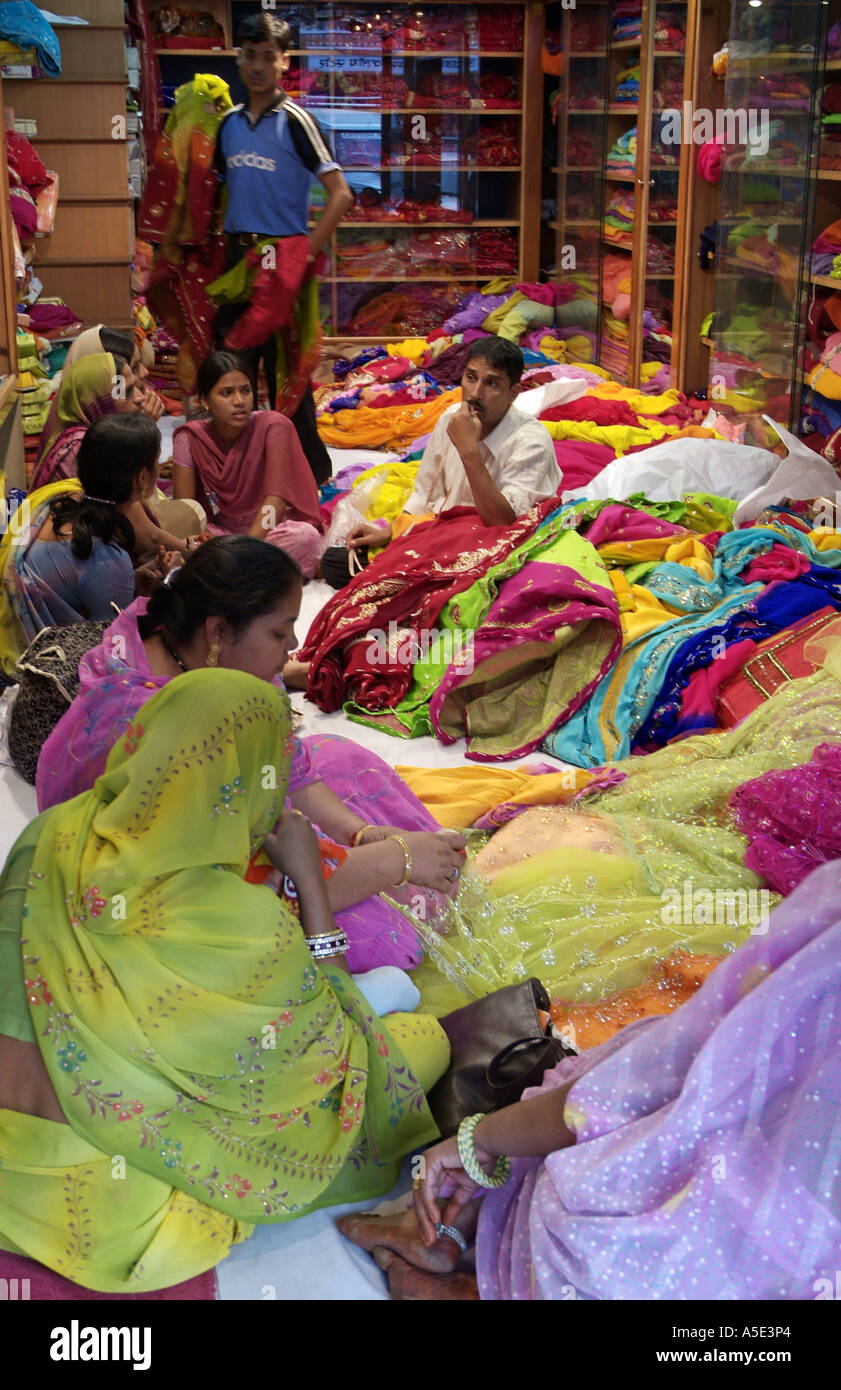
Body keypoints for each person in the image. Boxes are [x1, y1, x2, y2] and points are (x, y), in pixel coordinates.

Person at [0, 669, 451, 1293]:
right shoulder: (238, 922)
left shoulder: (47, 837)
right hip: (118, 1221)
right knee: (422, 1040)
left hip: (11, 1161)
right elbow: (336, 1044)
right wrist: (309, 886)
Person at [340, 853, 841, 1300]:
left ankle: (456, 1252)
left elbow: (627, 1092)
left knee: (603, 1103)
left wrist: (479, 1139)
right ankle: (450, 1237)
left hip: (634, 1252)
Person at [35, 536, 467, 973]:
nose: (293, 644)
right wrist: (396, 860)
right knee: (387, 941)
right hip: (168, 896)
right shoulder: (172, 737)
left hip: (225, 819)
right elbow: (252, 885)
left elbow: (292, 769)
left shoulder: (205, 658)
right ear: (218, 630)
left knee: (340, 757)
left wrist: (360, 835)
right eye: (280, 632)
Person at [213, 11, 353, 483]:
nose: (257, 65)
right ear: (239, 59)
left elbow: (341, 193)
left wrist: (306, 254)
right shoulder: (228, 125)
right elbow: (216, 195)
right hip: (239, 260)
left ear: (284, 61)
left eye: (267, 57)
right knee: (230, 373)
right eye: (249, 55)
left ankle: (310, 475)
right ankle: (235, 473)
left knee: (288, 374)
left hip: (283, 264)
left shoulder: (297, 121)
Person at [316, 337, 560, 593]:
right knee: (336, 560)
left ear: (514, 393)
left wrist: (469, 450)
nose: (475, 393)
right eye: (471, 377)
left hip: (491, 551)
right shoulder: (450, 419)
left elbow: (503, 524)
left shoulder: (532, 441)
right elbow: (426, 492)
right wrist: (390, 532)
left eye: (492, 383)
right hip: (443, 536)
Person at [172, 350, 324, 577]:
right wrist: (208, 539)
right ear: (205, 401)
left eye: (245, 391)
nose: (239, 401)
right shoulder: (189, 438)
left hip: (269, 527)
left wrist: (248, 545)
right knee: (184, 541)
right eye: (226, 393)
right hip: (219, 532)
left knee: (305, 538)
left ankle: (235, 570)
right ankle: (255, 571)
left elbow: (277, 500)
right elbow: (186, 509)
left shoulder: (273, 426)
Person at [30, 352, 140, 489]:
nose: (139, 398)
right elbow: (119, 502)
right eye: (127, 392)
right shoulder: (82, 448)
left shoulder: (84, 436)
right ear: (99, 400)